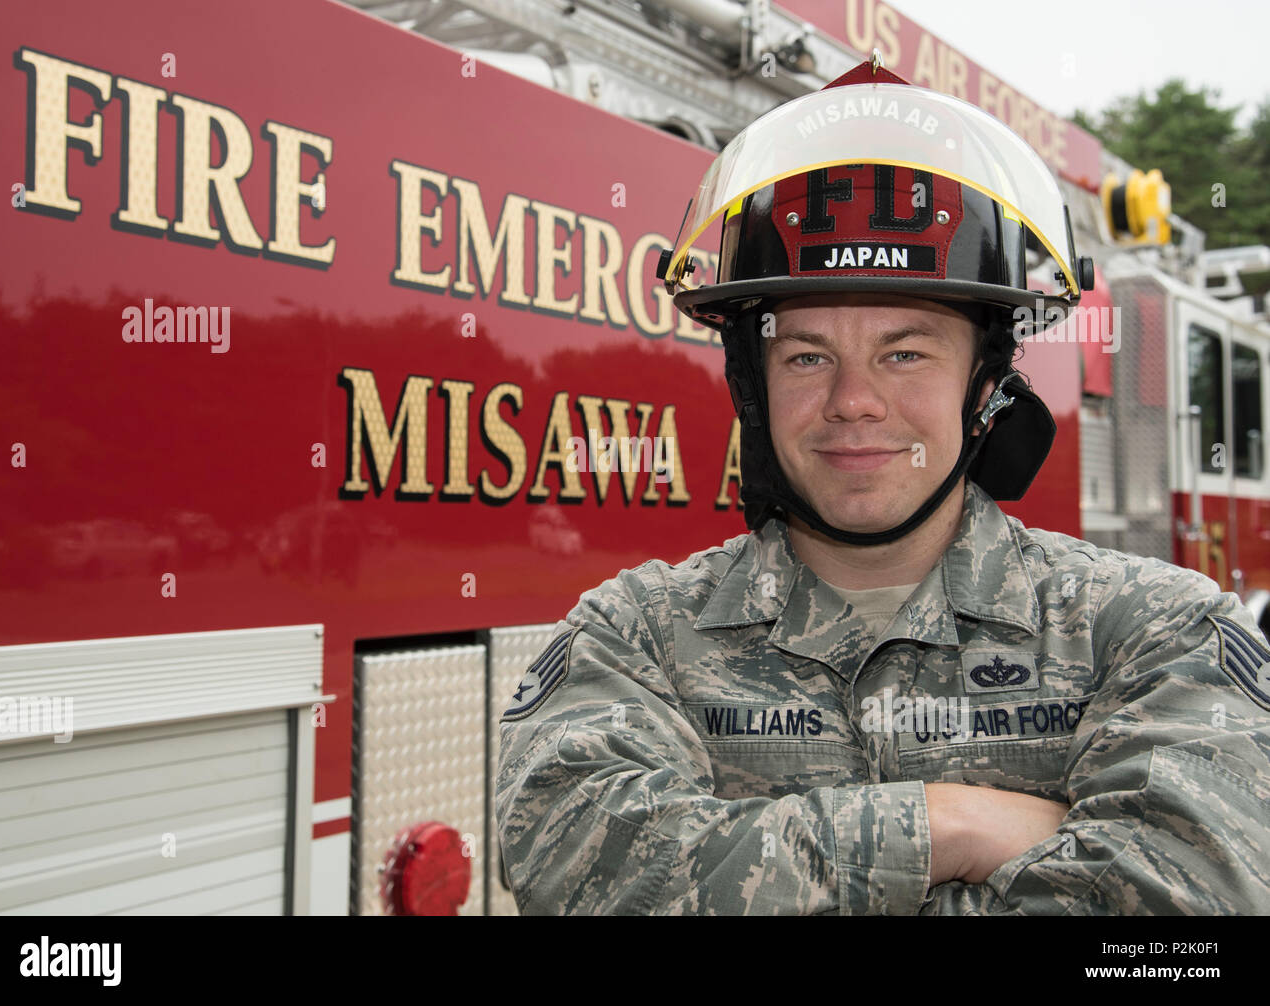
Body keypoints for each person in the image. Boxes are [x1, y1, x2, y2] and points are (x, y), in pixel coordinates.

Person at [494, 58, 1270, 915]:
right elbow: (576, 864)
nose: (853, 402)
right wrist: (958, 824)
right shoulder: (633, 637)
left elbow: (1182, 915)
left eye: (906, 352)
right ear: (753, 386)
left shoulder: (1158, 634)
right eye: (806, 356)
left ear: (985, 386)